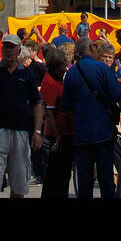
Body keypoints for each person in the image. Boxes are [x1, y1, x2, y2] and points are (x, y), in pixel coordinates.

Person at [0, 33, 43, 199]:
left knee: (19, 183)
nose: (8, 51)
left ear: (19, 50)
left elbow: (37, 103)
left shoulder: (27, 74)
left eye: (12, 47)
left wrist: (37, 132)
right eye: (5, 47)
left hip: (20, 131)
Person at [60, 38, 121, 200]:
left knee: (85, 180)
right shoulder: (102, 68)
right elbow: (117, 94)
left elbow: (66, 104)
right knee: (106, 178)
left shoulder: (71, 72)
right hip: (103, 131)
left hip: (82, 133)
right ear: (90, 48)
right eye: (95, 47)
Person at [41, 42, 75, 199]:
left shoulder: (59, 79)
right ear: (56, 65)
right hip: (56, 136)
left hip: (64, 133)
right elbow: (50, 113)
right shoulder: (50, 82)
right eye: (64, 64)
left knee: (62, 175)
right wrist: (59, 138)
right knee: (56, 176)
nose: (66, 66)